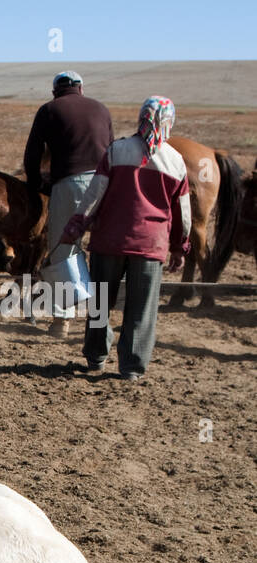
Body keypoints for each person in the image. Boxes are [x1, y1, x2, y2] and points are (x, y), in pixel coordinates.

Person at [60, 96, 191, 381]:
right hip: (150, 245)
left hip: (109, 240)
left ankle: (96, 358)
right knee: (141, 309)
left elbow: (94, 194)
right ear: (169, 123)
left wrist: (76, 226)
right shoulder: (176, 162)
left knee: (100, 303)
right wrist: (180, 247)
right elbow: (184, 213)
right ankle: (131, 367)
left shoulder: (117, 150)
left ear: (141, 117)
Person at [24, 71, 114, 334]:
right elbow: (111, 149)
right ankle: (100, 317)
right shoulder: (101, 108)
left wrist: (36, 184)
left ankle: (62, 320)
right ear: (81, 88)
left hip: (69, 184)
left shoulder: (48, 110)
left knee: (64, 248)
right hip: (105, 183)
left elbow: (33, 154)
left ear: (55, 91)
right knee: (102, 247)